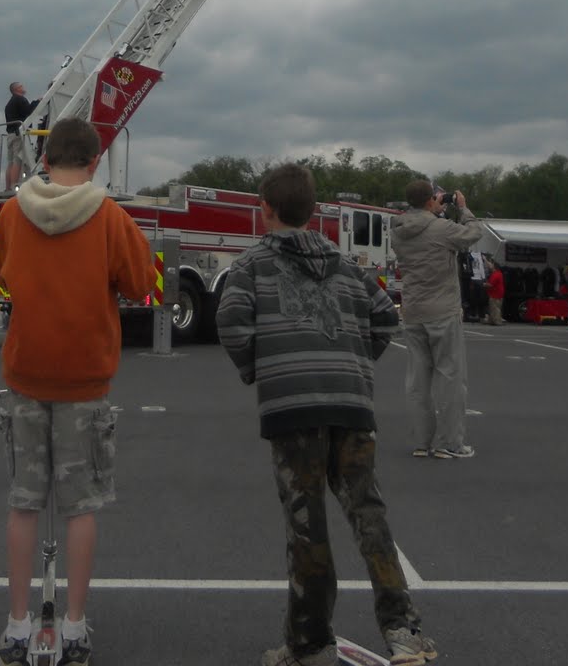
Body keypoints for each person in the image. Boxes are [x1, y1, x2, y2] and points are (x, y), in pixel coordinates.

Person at [216, 164, 437, 666]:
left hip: (293, 408)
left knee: (307, 524)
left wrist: (261, 369)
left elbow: (230, 321)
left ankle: (310, 642)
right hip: (351, 404)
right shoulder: (347, 264)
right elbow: (385, 316)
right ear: (314, 210)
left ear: (264, 208)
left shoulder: (253, 265)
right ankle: (403, 630)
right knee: (368, 512)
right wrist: (358, 364)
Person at [0, 116, 157, 666]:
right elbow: (139, 284)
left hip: (25, 374)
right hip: (85, 380)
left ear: (45, 159)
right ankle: (75, 625)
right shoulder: (110, 218)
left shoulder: (12, 213)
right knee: (80, 507)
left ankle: (18, 626)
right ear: (93, 162)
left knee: (24, 503)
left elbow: (4, 277)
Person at [389, 180, 484, 460]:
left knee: (418, 380)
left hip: (414, 311)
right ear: (431, 200)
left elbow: (422, 226)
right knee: (450, 377)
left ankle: (422, 441)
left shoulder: (398, 230)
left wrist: (434, 210)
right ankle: (450, 442)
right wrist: (463, 208)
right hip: (442, 311)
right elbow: (473, 233)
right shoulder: (441, 229)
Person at [3, 81, 39, 190]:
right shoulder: (20, 99)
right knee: (17, 160)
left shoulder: (9, 103)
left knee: (10, 162)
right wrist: (36, 102)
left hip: (10, 134)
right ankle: (14, 185)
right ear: (17, 89)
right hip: (18, 133)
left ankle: (8, 187)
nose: (23, 88)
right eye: (21, 86)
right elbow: (28, 111)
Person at [484, 260, 505, 325]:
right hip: (497, 293)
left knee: (495, 308)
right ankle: (492, 320)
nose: (490, 266)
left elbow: (490, 284)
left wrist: (483, 284)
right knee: (495, 308)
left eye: (492, 265)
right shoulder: (498, 273)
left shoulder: (495, 274)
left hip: (495, 294)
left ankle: (497, 321)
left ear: (494, 267)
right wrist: (485, 260)